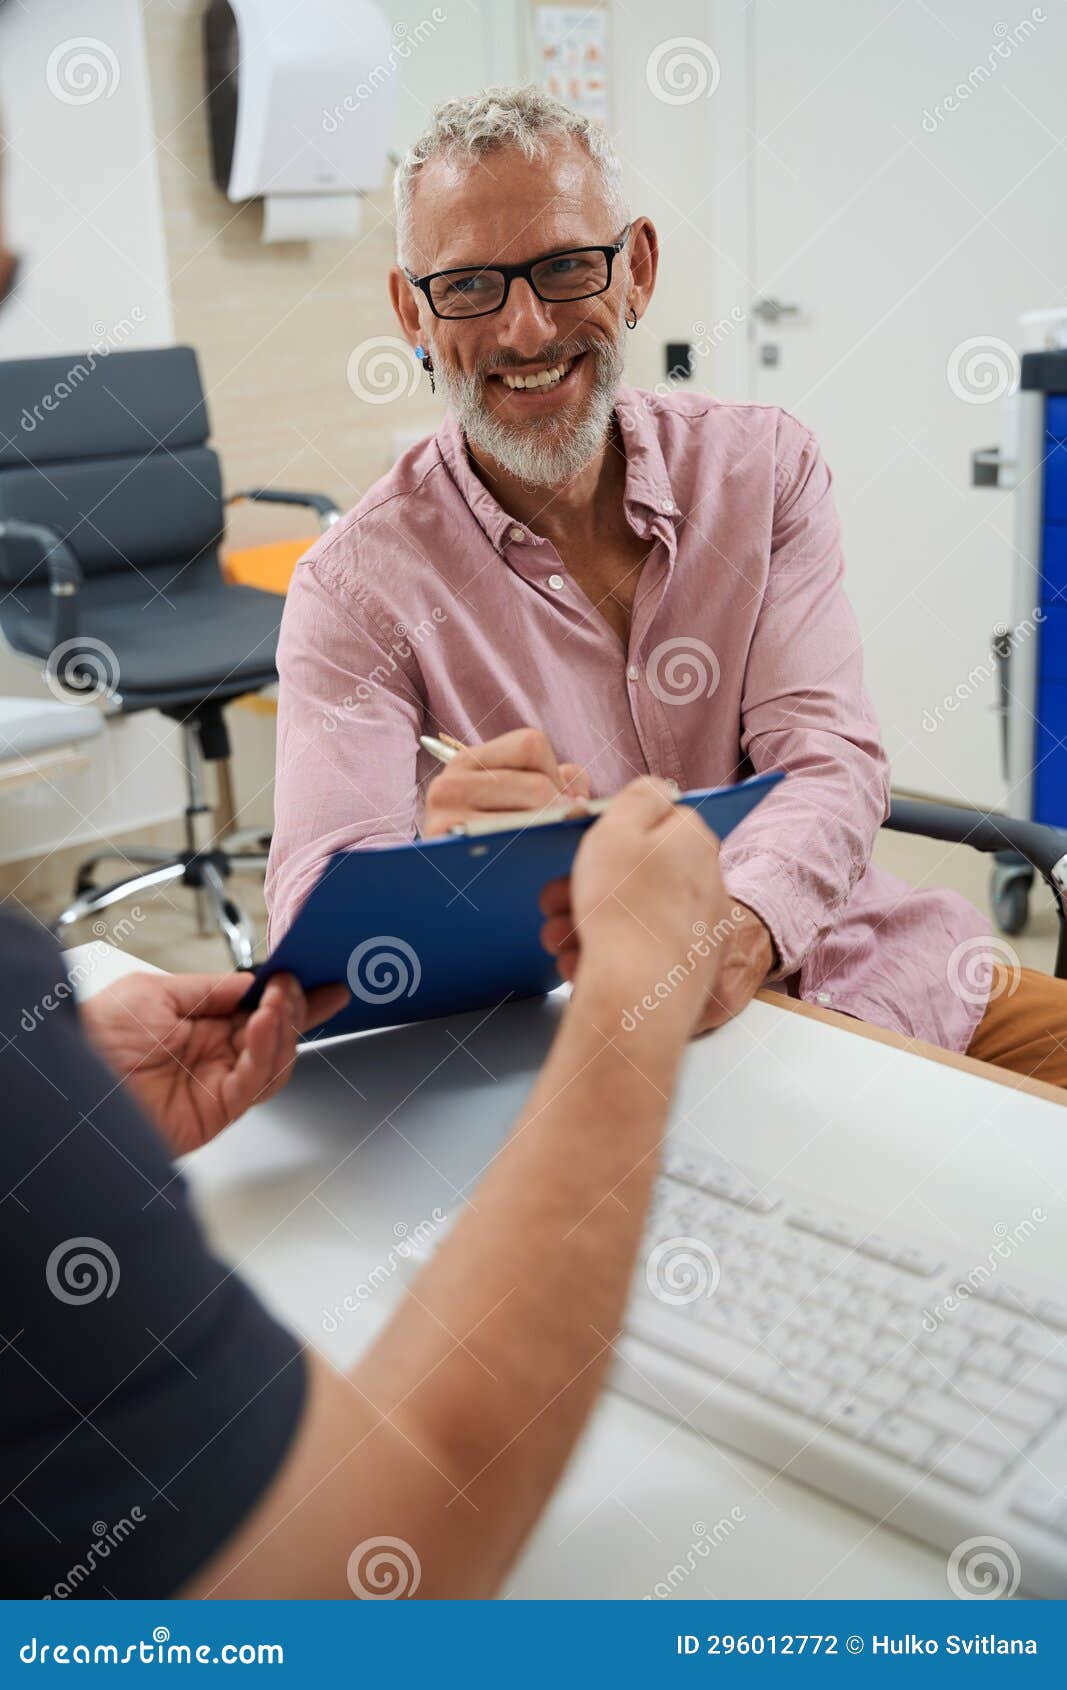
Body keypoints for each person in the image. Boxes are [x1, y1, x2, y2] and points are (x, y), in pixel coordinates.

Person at [266, 84, 1067, 1089]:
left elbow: (824, 760)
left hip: (877, 971)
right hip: (579, 1058)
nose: (523, 331)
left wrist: (726, 938)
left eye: (563, 268)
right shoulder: (354, 591)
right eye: (469, 286)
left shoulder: (761, 471)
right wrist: (433, 880)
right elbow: (318, 927)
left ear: (635, 269)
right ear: (411, 313)